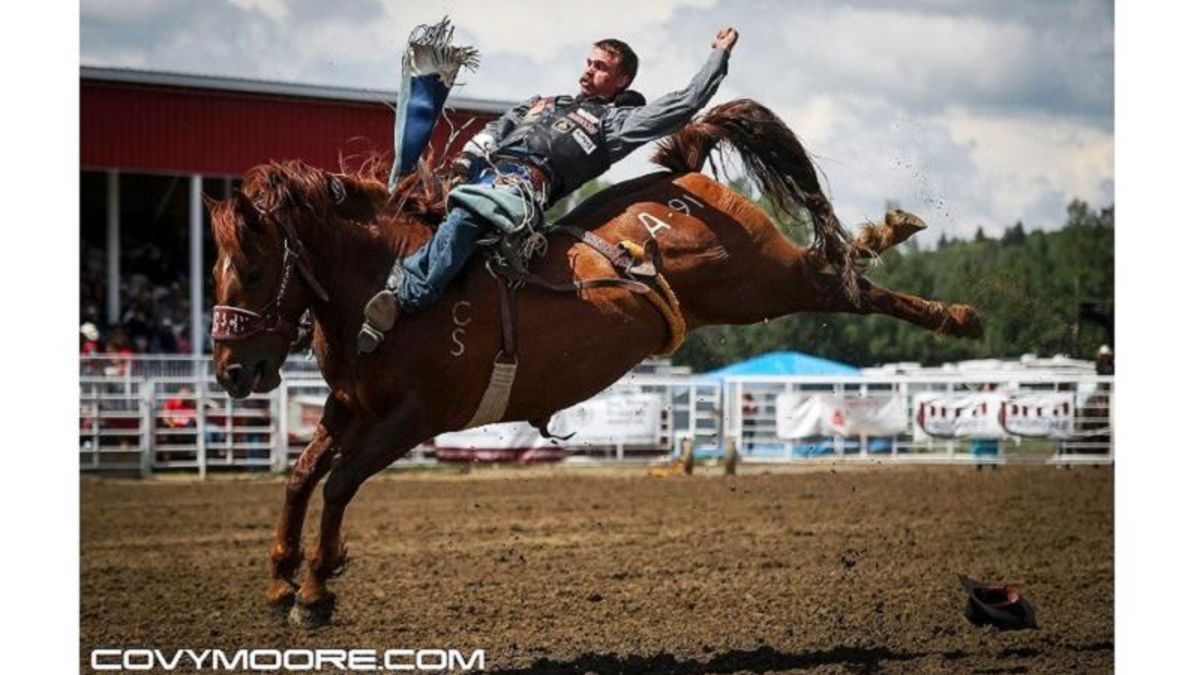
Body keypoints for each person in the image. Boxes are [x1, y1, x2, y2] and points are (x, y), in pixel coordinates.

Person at [358, 27, 740, 353]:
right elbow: (496, 130)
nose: (589, 70)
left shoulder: (614, 124)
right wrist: (463, 163)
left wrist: (718, 56)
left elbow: (684, 103)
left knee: (466, 217)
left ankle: (404, 297)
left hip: (519, 193)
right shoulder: (542, 103)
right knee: (393, 197)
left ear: (621, 81)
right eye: (589, 62)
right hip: (476, 176)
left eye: (601, 67)